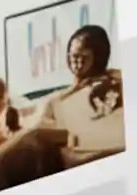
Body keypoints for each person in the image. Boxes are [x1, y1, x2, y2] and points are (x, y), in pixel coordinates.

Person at [39, 25, 125, 165]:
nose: (76, 61)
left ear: (98, 57)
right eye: (73, 56)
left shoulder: (59, 102)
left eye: (83, 57)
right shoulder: (58, 101)